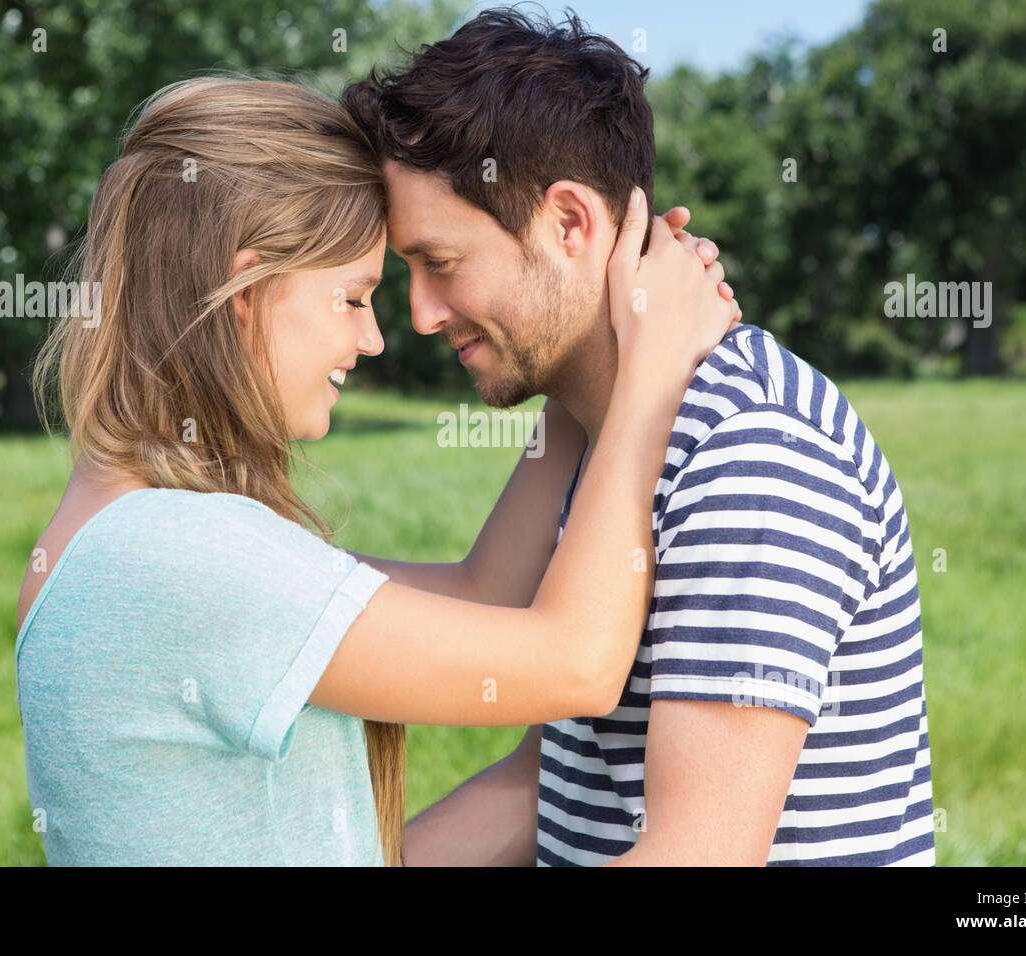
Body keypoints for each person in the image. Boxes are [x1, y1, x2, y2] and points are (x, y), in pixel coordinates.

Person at [13, 75, 739, 866]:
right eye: (354, 299)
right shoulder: (184, 557)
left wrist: (581, 344)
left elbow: (483, 594)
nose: (375, 339)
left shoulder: (119, 541)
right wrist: (652, 370)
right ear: (246, 293)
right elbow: (576, 662)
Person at [342, 7, 936, 866]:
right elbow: (546, 782)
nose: (421, 316)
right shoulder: (600, 429)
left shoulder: (750, 451)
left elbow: (697, 852)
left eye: (440, 263)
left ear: (571, 224)